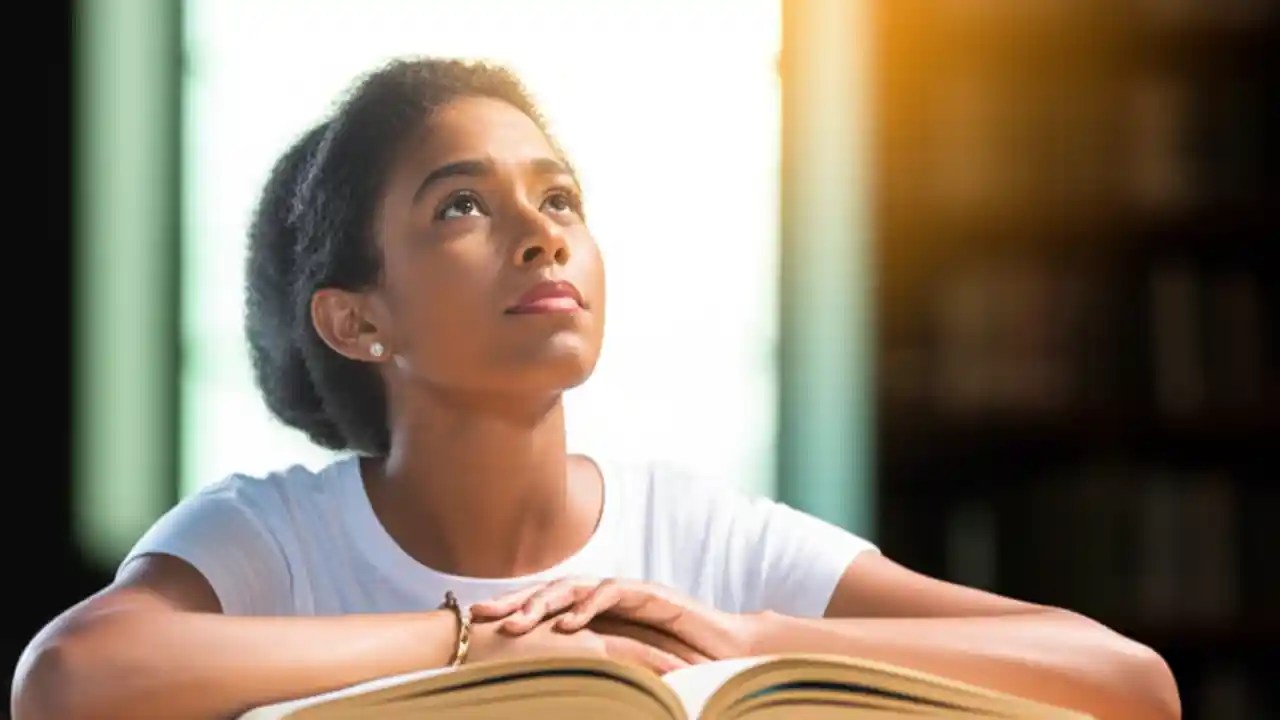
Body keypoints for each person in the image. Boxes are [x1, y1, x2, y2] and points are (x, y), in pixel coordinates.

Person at [12, 58, 1179, 720]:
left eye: (558, 198)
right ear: (356, 319)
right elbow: (70, 680)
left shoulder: (700, 540)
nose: (539, 234)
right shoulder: (271, 536)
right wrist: (466, 642)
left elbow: (1127, 685)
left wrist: (752, 640)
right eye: (461, 206)